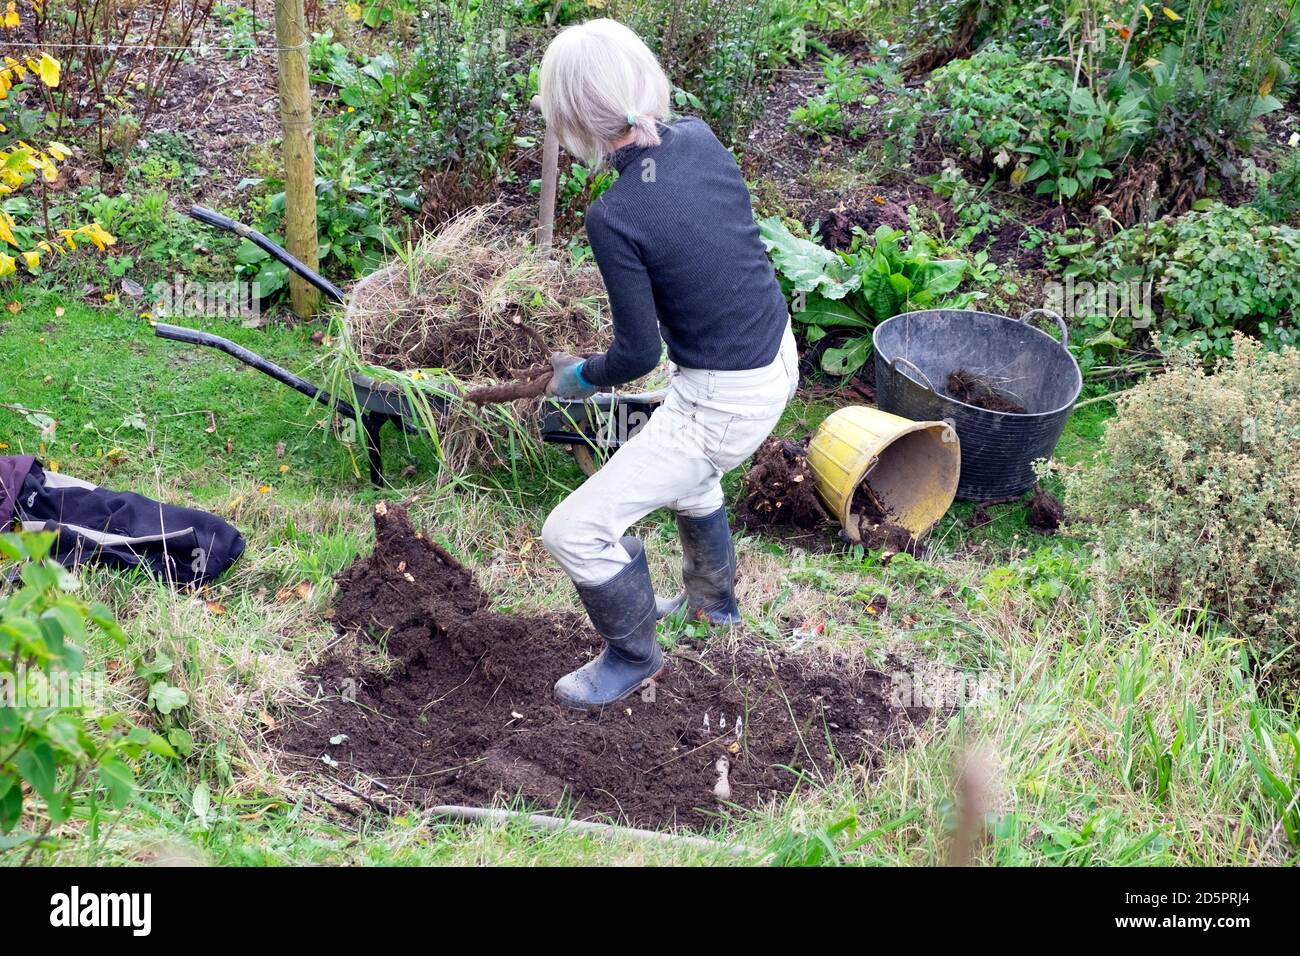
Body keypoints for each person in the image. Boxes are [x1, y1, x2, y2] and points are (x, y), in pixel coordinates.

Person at [537, 19, 798, 709]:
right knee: (684, 453)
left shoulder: (615, 214)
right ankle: (713, 606)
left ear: (570, 121)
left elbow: (636, 355)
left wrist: (581, 378)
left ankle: (633, 655)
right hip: (773, 357)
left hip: (724, 402)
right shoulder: (703, 140)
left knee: (573, 530)